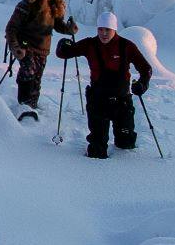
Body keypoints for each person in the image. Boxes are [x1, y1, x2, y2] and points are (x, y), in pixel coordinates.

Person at [56, 12, 152, 158]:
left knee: (126, 145)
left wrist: (142, 84)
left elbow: (146, 69)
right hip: (98, 101)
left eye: (108, 29)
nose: (104, 33)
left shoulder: (127, 46)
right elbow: (64, 53)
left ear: (115, 29)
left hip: (122, 102)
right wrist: (63, 45)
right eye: (100, 29)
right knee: (97, 150)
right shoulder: (90, 44)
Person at [1, 0, 75, 123]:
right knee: (28, 71)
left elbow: (58, 26)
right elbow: (11, 28)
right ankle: (24, 104)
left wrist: (69, 29)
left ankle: (31, 105)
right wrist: (16, 48)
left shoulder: (53, 6)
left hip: (42, 49)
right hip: (26, 46)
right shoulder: (26, 5)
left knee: (37, 77)